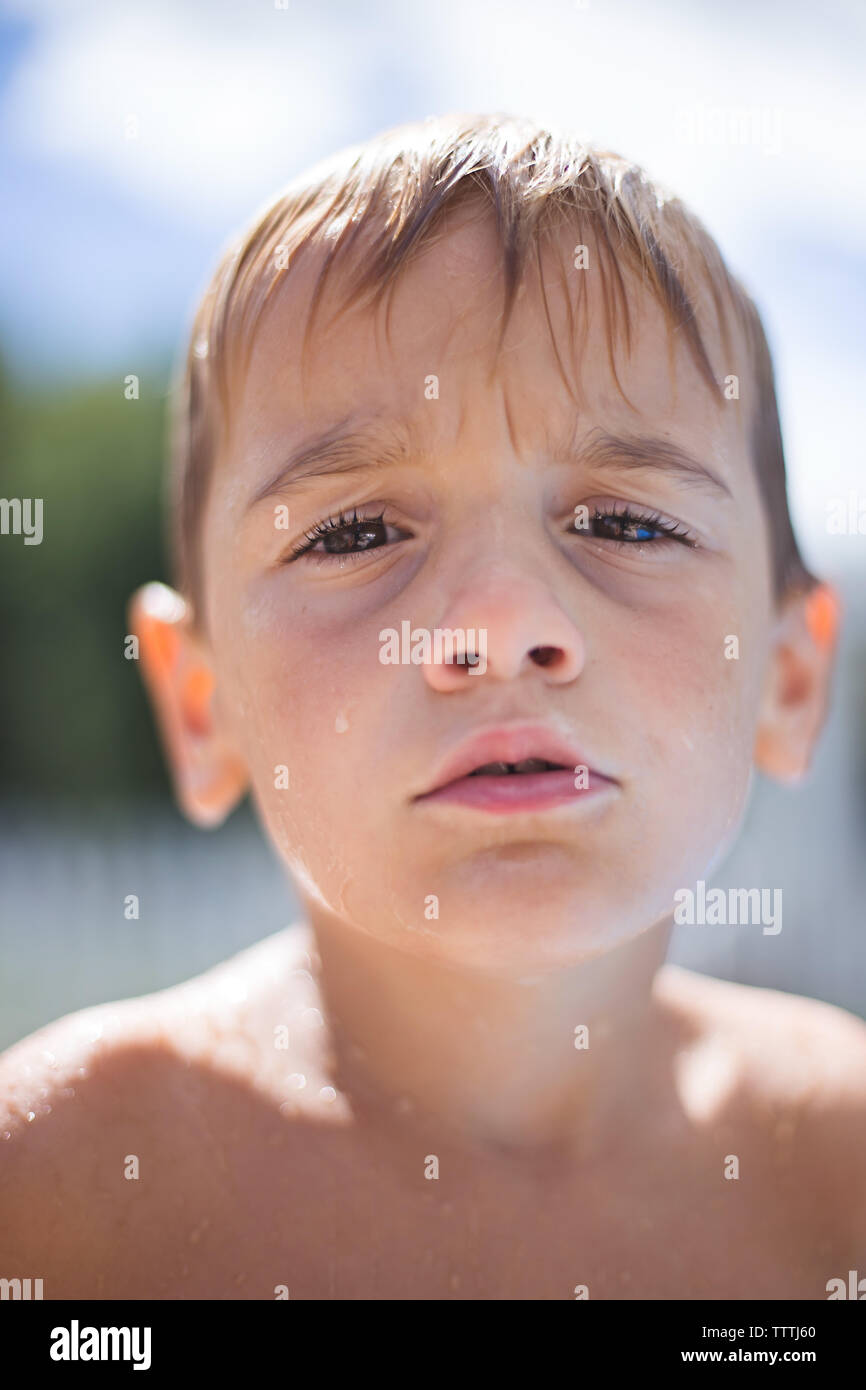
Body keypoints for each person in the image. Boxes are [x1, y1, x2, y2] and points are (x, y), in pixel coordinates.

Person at [1, 113, 863, 1300]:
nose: (498, 623)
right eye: (355, 533)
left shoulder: (836, 1175)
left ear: (789, 676)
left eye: (625, 522)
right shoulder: (60, 1190)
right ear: (201, 705)